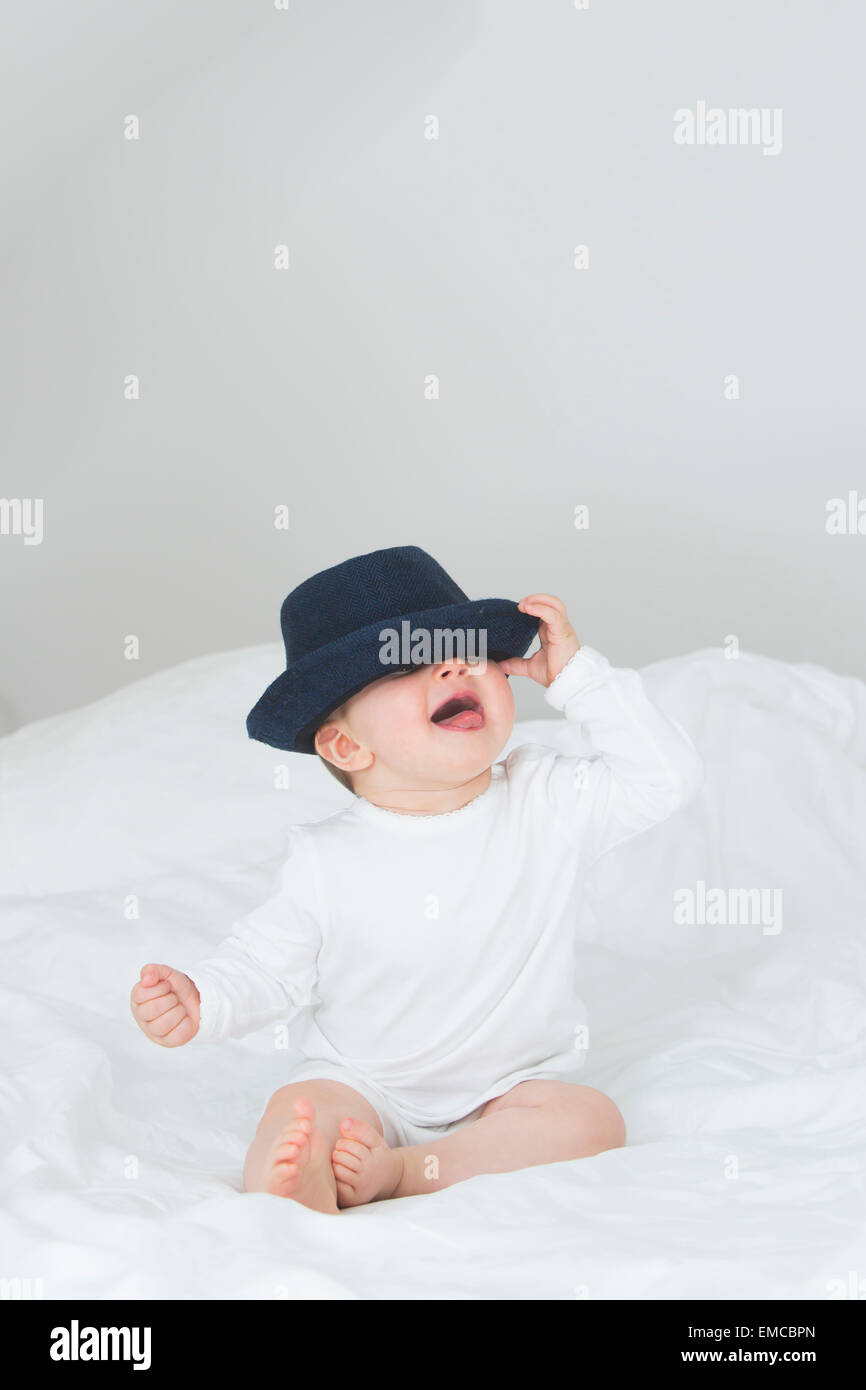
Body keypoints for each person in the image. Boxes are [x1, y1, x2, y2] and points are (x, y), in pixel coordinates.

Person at [130, 545, 703, 1214]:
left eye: (468, 652)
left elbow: (665, 778)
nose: (456, 665)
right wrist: (206, 1000)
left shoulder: (546, 798)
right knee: (302, 1111)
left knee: (591, 1120)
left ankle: (404, 1173)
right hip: (367, 1086)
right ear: (346, 745)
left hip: (508, 1090)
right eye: (410, 663)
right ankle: (295, 1180)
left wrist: (577, 678)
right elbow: (267, 965)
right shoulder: (326, 860)